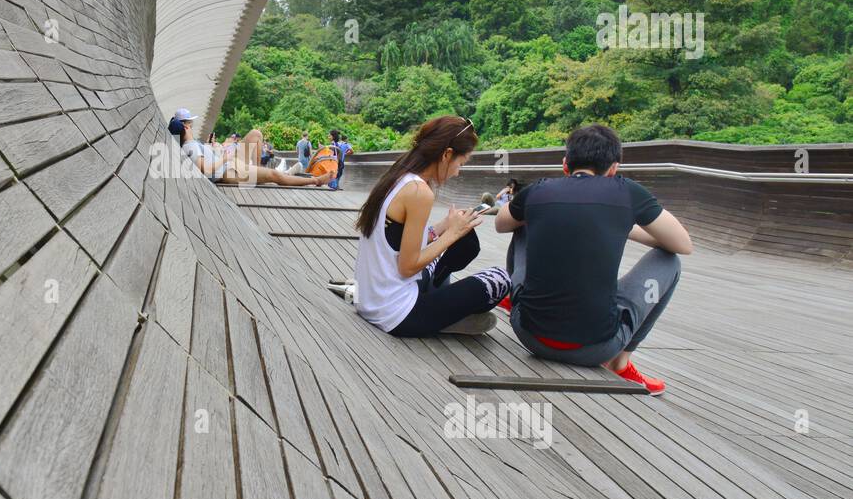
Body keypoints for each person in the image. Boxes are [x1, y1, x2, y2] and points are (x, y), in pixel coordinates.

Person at [493, 124, 693, 395]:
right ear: (614, 168)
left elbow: (502, 224)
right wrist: (620, 222)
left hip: (529, 334)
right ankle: (620, 362)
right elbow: (682, 244)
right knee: (669, 262)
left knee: (523, 222)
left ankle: (513, 296)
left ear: (565, 165)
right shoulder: (627, 192)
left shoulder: (539, 189)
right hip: (597, 347)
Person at [353, 115, 511, 337]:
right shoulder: (420, 192)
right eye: (460, 164)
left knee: (436, 260)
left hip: (368, 299)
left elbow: (397, 242)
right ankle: (443, 319)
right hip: (396, 314)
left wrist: (444, 226)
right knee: (501, 278)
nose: (457, 172)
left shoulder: (398, 176)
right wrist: (453, 234)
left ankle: (442, 311)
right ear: (447, 155)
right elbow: (407, 267)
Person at [172, 109, 325, 187]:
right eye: (190, 123)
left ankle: (258, 171)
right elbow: (205, 170)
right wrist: (224, 158)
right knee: (274, 175)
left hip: (229, 164)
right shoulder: (189, 146)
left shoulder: (191, 144)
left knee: (255, 134)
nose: (192, 125)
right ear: (185, 126)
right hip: (227, 171)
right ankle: (316, 181)